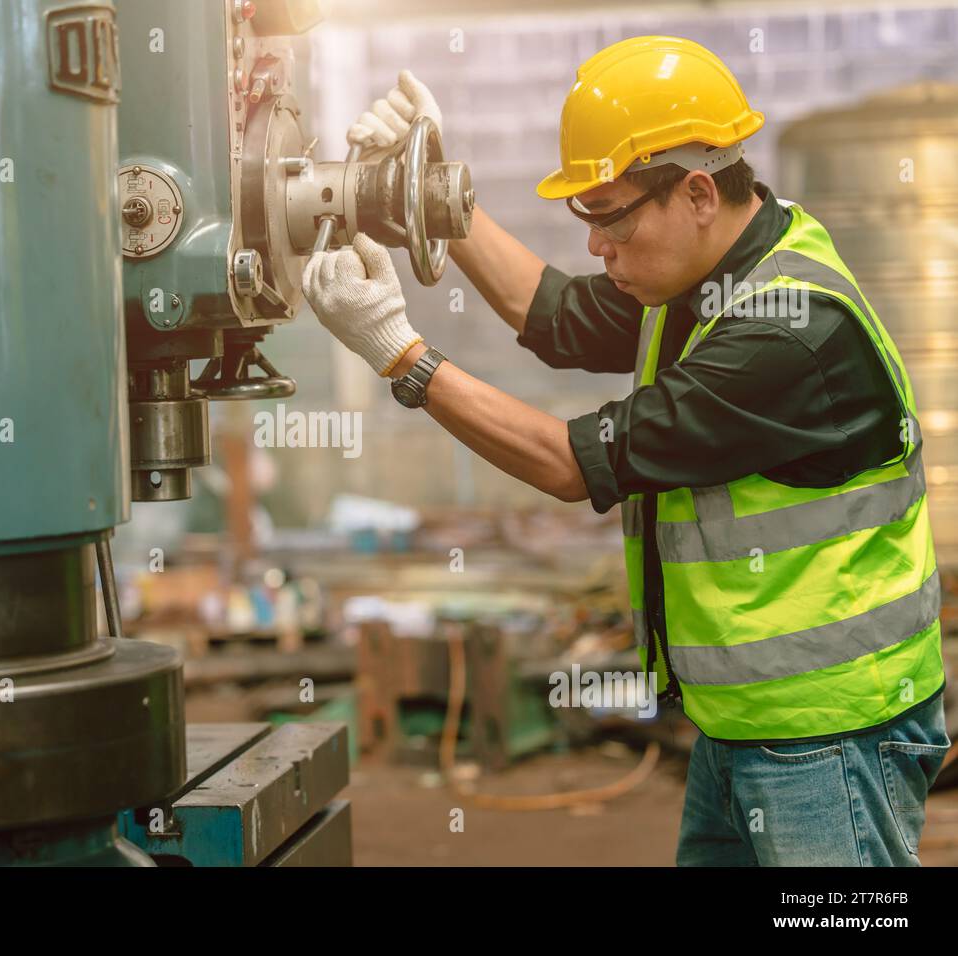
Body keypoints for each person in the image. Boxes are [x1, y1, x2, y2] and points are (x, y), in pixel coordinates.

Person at [301, 36, 950, 866]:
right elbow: (560, 318)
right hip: (748, 724)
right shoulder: (706, 277)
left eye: (611, 219)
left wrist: (399, 353)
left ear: (698, 192)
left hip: (829, 734)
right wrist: (434, 200)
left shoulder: (784, 334)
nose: (597, 247)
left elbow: (572, 464)